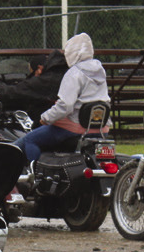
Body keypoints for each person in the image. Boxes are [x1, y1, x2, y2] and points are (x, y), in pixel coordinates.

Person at [12, 33, 110, 163]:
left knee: (30, 139)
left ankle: (34, 176)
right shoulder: (100, 71)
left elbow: (65, 106)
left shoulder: (74, 73)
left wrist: (44, 118)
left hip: (74, 128)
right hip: (101, 128)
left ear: (72, 52)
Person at [0, 49, 67, 113]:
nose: (34, 78)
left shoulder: (46, 80)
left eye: (33, 74)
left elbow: (15, 91)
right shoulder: (63, 70)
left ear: (39, 69)